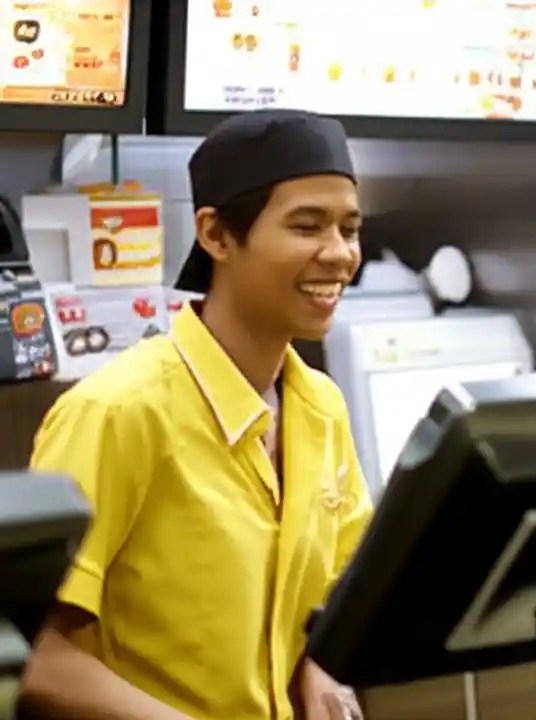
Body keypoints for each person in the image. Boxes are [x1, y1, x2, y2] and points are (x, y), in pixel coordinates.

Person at [19, 110, 372, 720]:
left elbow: (341, 595)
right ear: (215, 235)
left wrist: (320, 665)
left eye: (349, 228)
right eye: (307, 226)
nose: (339, 254)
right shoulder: (118, 413)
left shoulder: (322, 407)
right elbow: (32, 656)